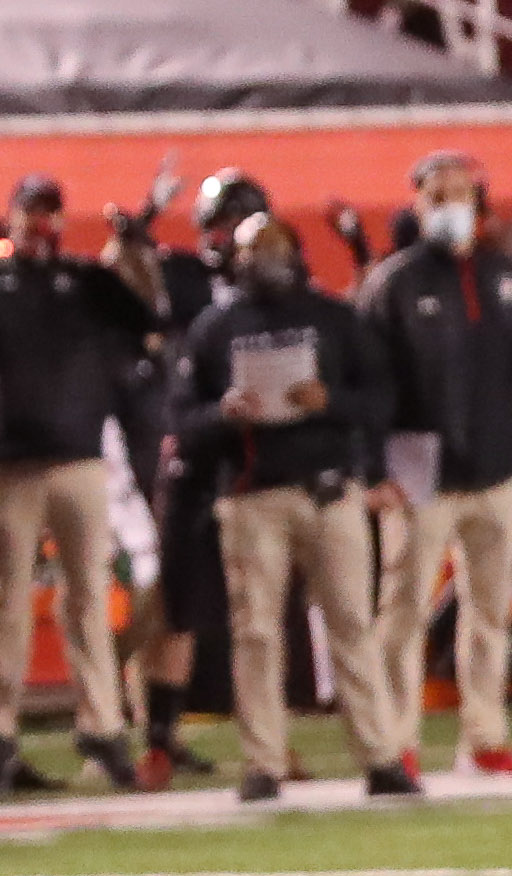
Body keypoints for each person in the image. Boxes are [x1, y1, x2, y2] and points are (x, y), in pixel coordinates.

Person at [170, 214, 412, 803]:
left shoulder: (335, 318)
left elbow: (382, 399)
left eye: (274, 249)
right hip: (254, 494)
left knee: (352, 623)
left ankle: (380, 755)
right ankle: (264, 761)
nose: (265, 261)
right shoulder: (216, 327)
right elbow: (183, 419)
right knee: (255, 633)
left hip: (329, 489)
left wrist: (330, 402)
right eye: (255, 251)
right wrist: (224, 412)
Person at [355, 151, 512, 779]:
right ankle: (397, 741)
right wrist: (371, 467)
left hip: (495, 466)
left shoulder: (506, 275)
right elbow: (365, 382)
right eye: (437, 195)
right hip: (420, 472)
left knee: (492, 609)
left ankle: (486, 736)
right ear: (416, 202)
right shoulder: (394, 282)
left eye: (460, 193)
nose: (450, 206)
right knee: (404, 610)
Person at [0, 174, 160, 793]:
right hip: (11, 464)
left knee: (90, 597)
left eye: (51, 211)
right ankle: (4, 735)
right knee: (9, 604)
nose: (42, 222)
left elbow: (148, 317)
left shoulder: (86, 282)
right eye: (32, 210)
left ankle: (103, 726)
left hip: (78, 457)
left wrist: (135, 252)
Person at [137, 168, 272, 790]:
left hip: (252, 454)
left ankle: (265, 738)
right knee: (178, 599)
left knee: (259, 606)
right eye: (218, 225)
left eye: (235, 224)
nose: (225, 236)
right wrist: (136, 232)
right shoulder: (183, 275)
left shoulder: (273, 286)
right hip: (191, 444)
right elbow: (136, 286)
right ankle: (158, 734)